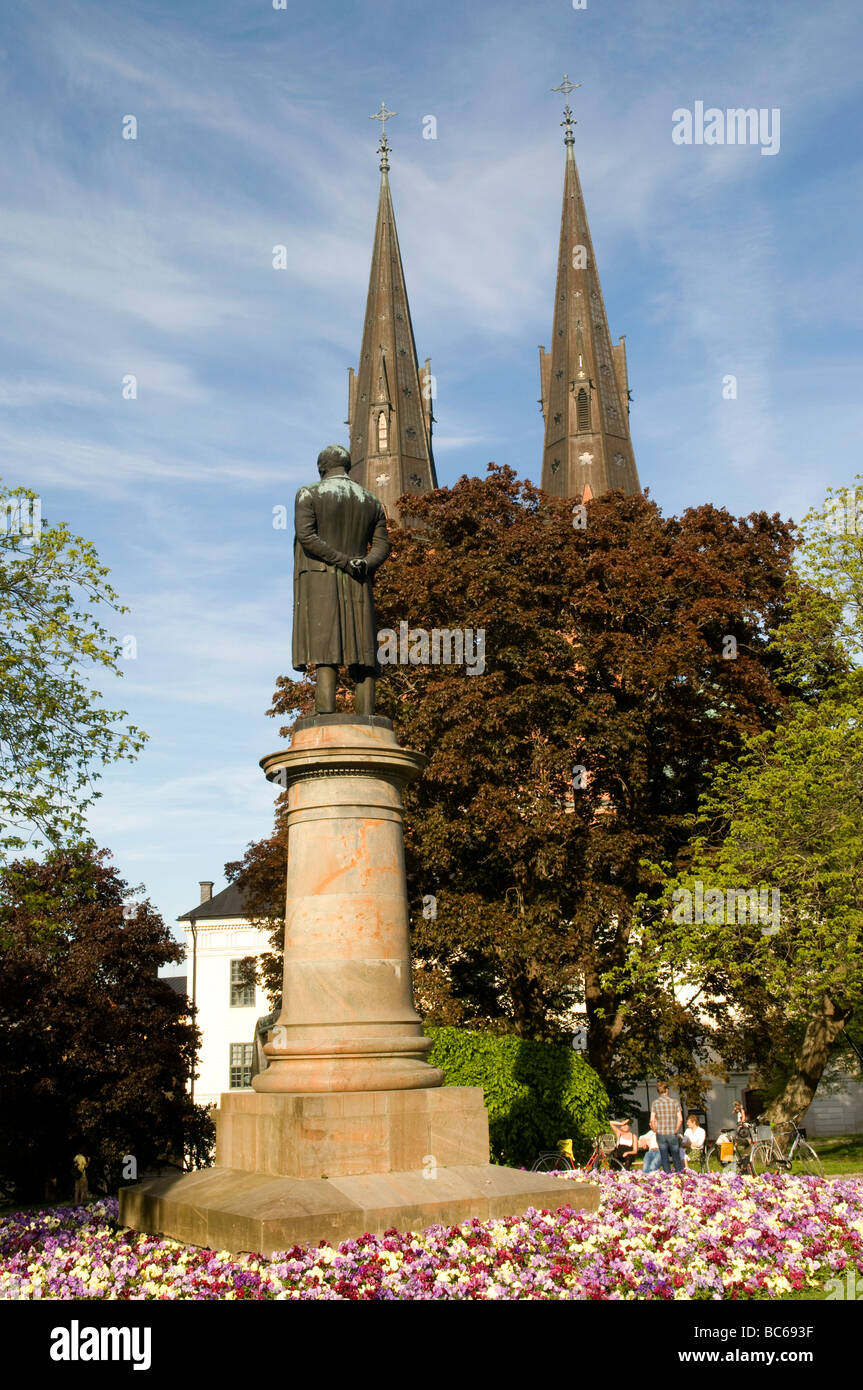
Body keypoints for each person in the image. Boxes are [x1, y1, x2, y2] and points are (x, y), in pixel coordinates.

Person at [292, 444, 391, 715]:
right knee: (363, 647)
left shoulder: (308, 493)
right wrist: (363, 563)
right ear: (347, 467)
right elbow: (382, 545)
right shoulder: (371, 500)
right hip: (359, 580)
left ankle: (324, 711)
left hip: (322, 579)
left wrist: (341, 561)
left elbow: (307, 537)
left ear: (322, 468)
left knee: (327, 644)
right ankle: (366, 713)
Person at [649, 1082, 685, 1173]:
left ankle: (667, 1175)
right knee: (675, 1155)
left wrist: (655, 1129)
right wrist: (676, 1129)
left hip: (660, 1133)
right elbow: (680, 1119)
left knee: (664, 1156)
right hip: (672, 1132)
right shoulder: (675, 1102)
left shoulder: (655, 1103)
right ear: (667, 1090)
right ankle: (679, 1174)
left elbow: (652, 1120)